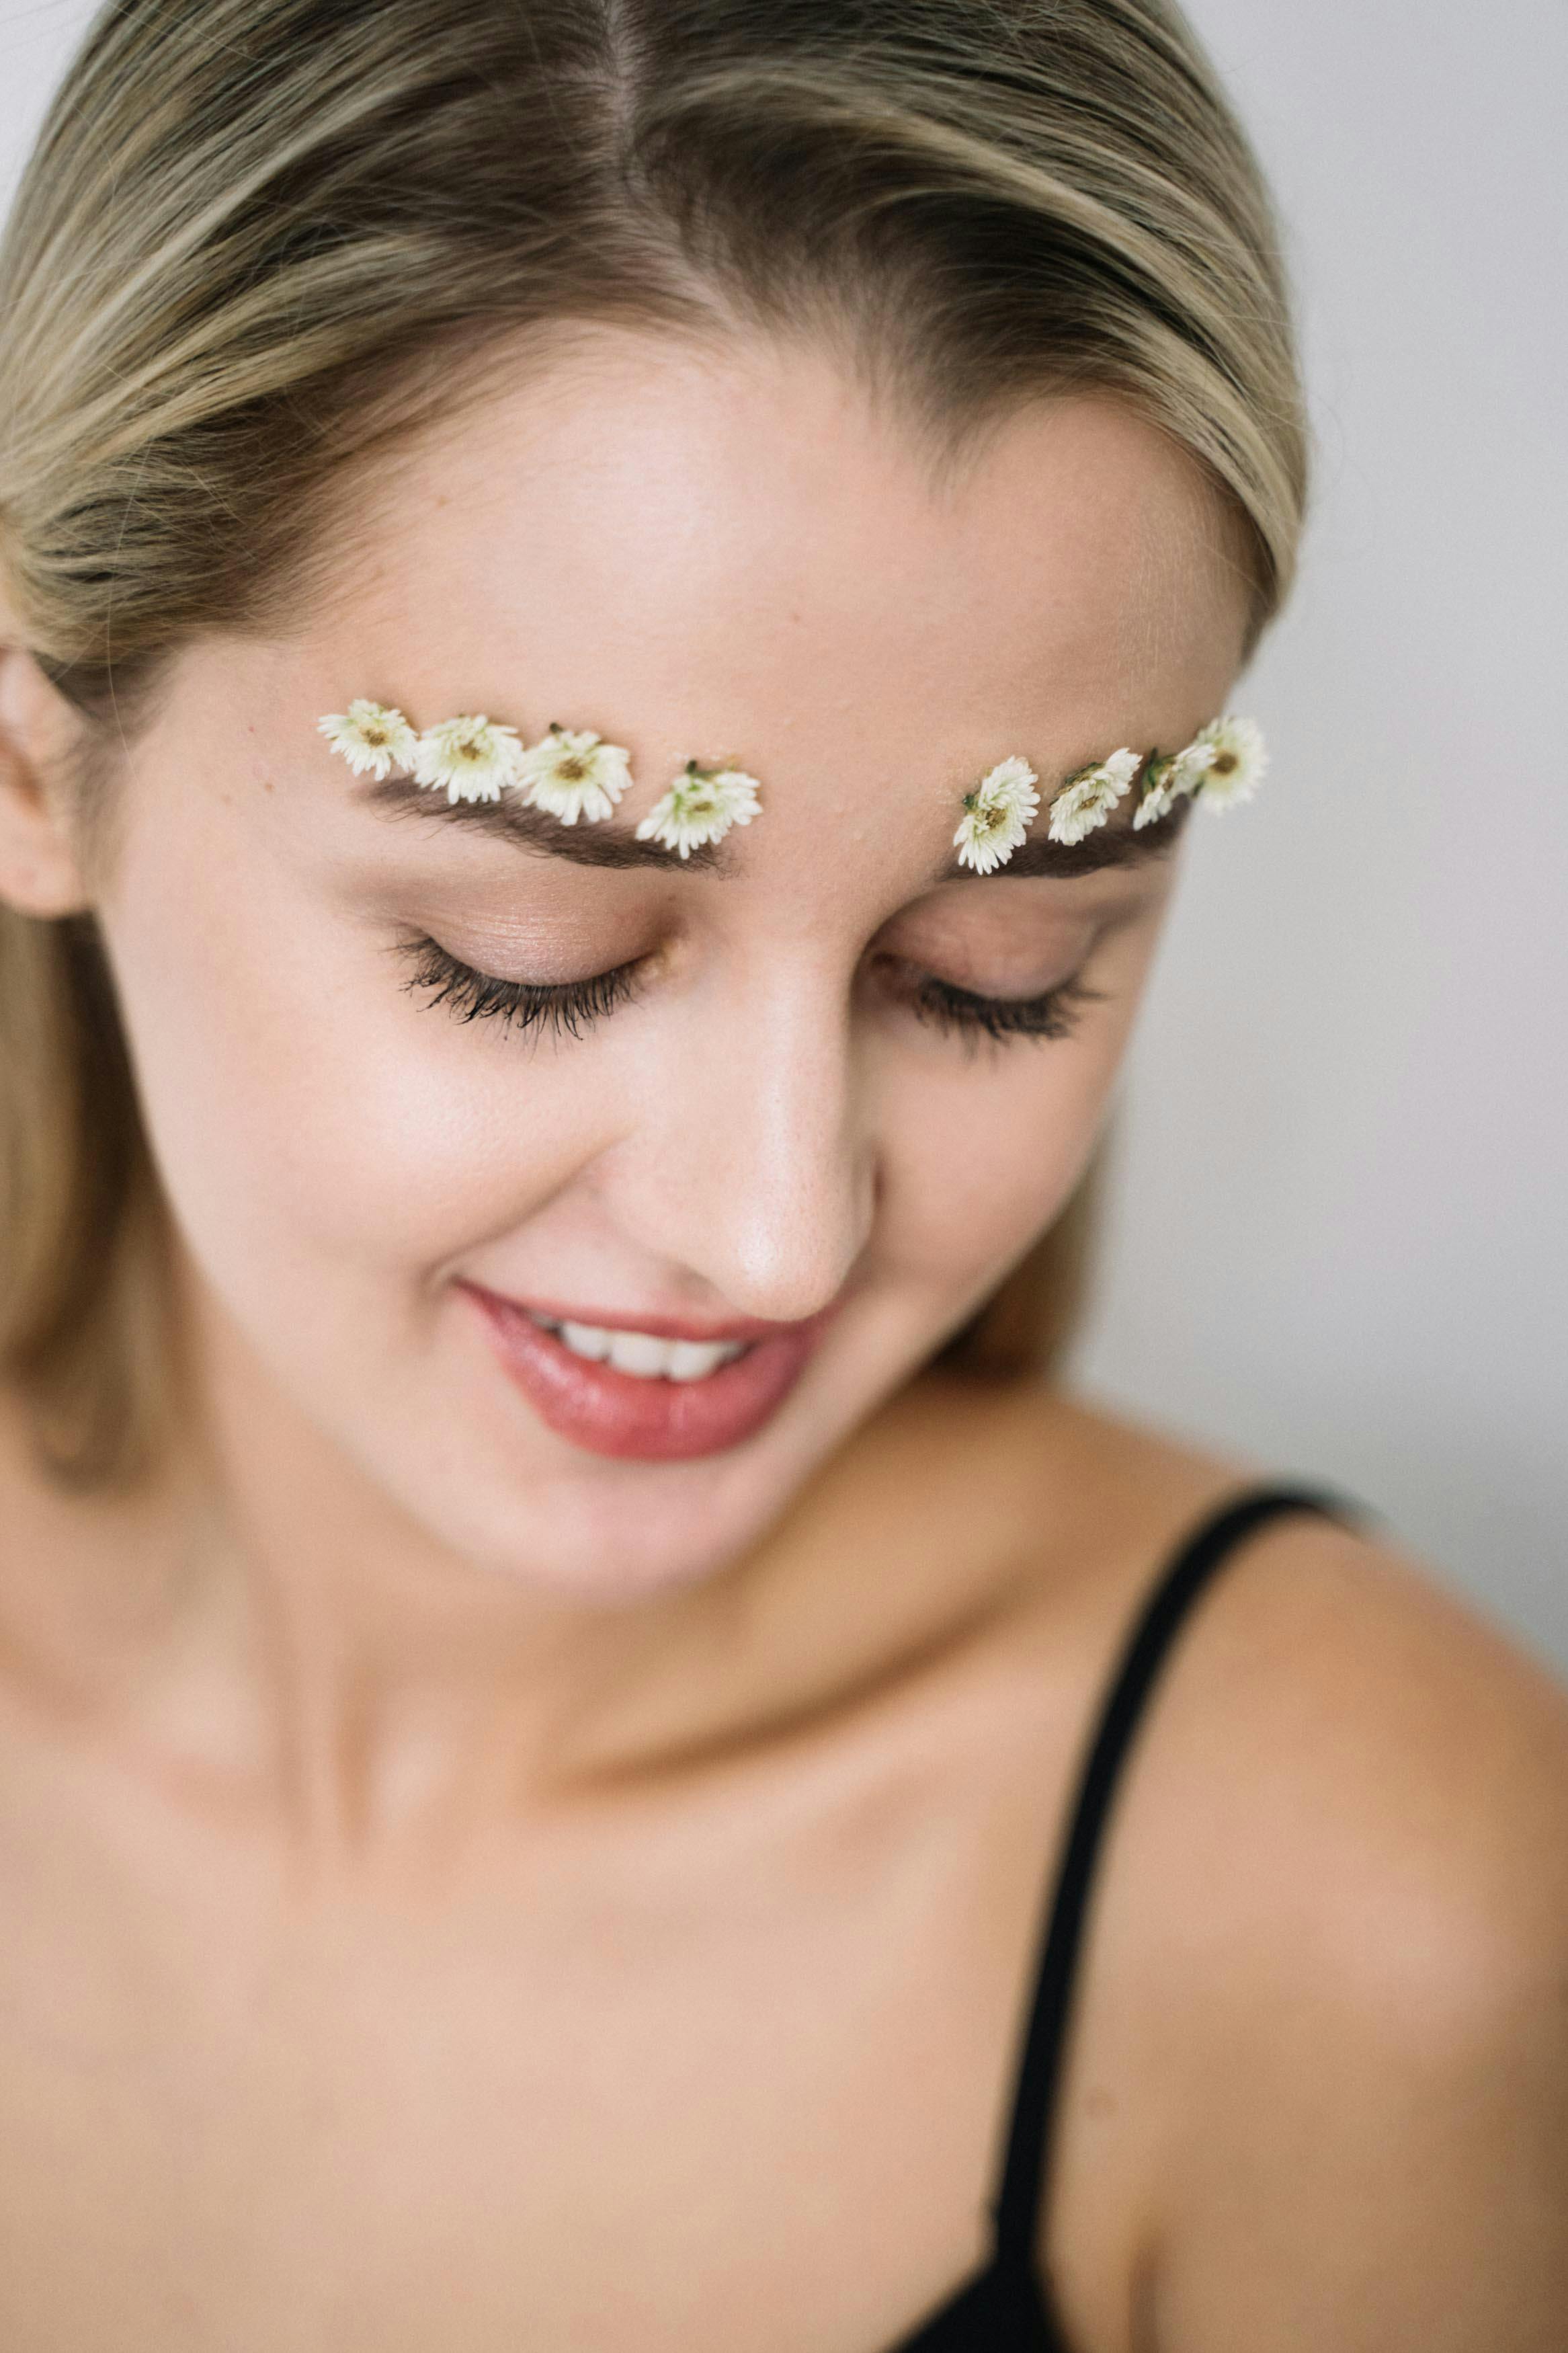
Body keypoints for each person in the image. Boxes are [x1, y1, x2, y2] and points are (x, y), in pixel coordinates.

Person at [0, 0, 1563, 2344]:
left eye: (993, 975)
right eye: (528, 961)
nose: (777, 1229)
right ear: (34, 769)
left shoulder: (1372, 1913)